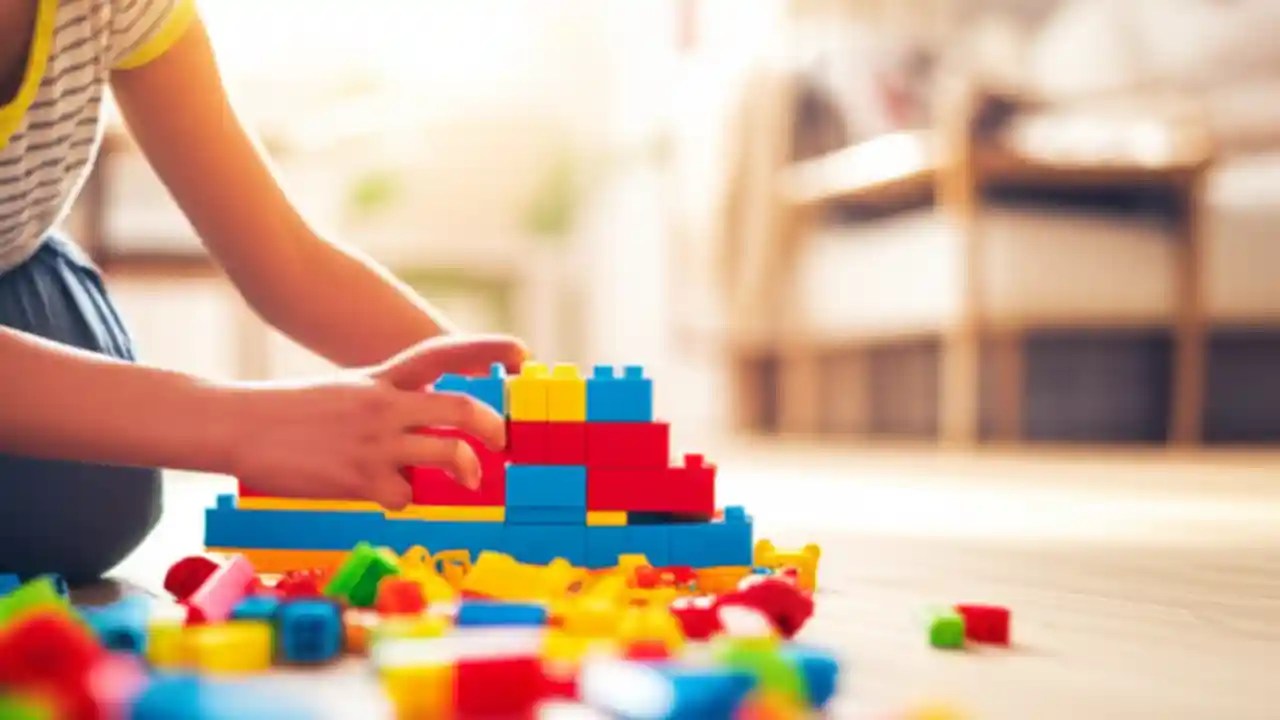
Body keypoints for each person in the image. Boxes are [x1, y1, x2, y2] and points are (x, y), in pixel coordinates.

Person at [0, 0, 526, 582]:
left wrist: (517, 414)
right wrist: (246, 424)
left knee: (91, 498)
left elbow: (288, 262)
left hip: (15, 267)